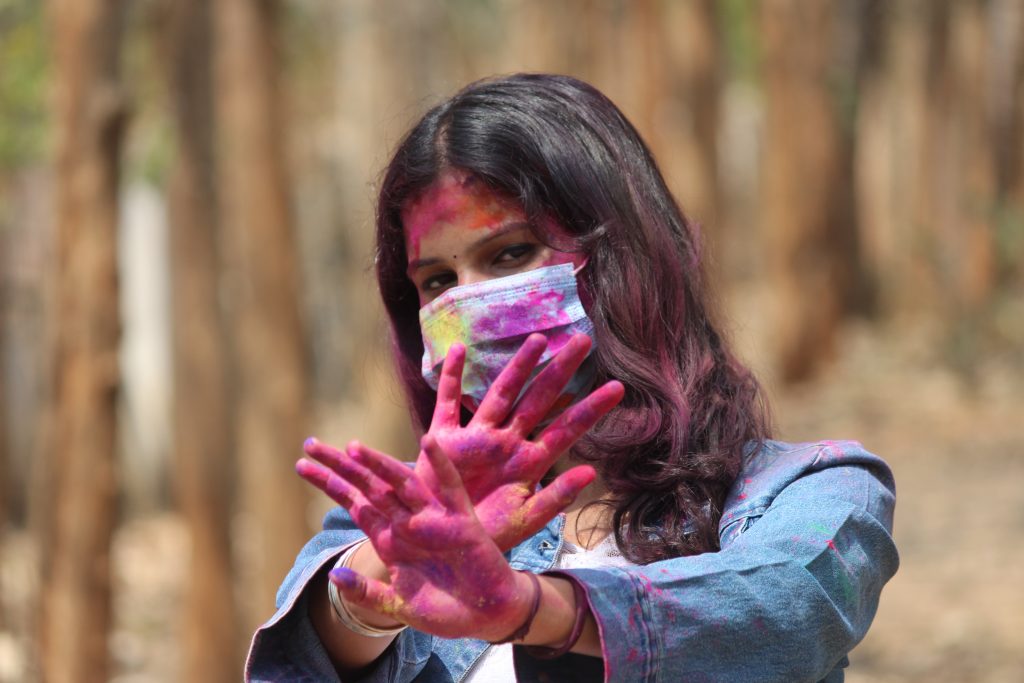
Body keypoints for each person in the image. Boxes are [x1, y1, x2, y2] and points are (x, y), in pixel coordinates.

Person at [245, 73, 898, 682]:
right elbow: (315, 645)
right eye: (437, 281)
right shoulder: (388, 521)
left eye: (509, 253)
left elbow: (789, 608)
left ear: (623, 259)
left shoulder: (811, 489)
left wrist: (539, 609)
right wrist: (385, 580)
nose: (468, 306)